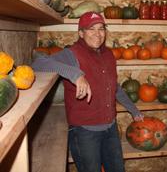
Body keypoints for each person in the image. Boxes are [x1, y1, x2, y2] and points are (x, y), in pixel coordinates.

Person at [32, 11, 143, 172]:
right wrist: (75, 74)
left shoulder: (109, 55)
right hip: (85, 133)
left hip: (110, 128)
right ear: (81, 33)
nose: (97, 34)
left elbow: (114, 87)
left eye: (101, 28)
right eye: (91, 29)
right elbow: (38, 64)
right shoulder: (72, 54)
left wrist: (133, 110)